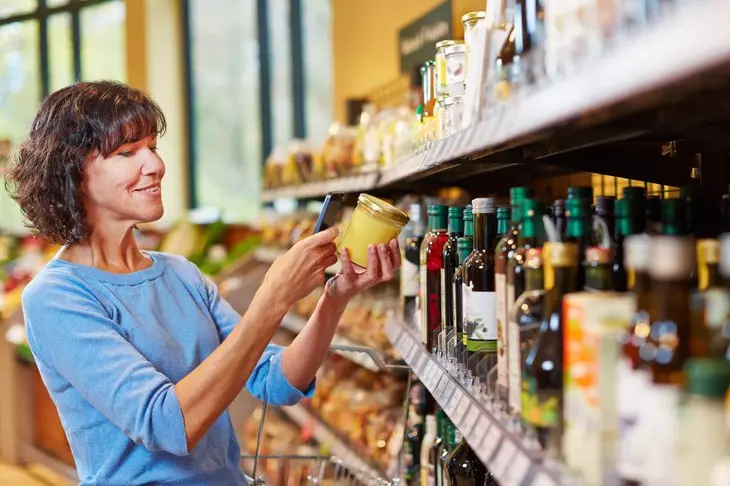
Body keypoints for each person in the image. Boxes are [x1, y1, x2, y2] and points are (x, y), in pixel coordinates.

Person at [4, 81, 401, 485]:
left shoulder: (181, 274)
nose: (155, 165)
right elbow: (167, 425)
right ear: (72, 174)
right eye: (127, 152)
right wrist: (271, 298)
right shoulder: (57, 296)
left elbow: (277, 381)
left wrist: (335, 297)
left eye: (152, 147)